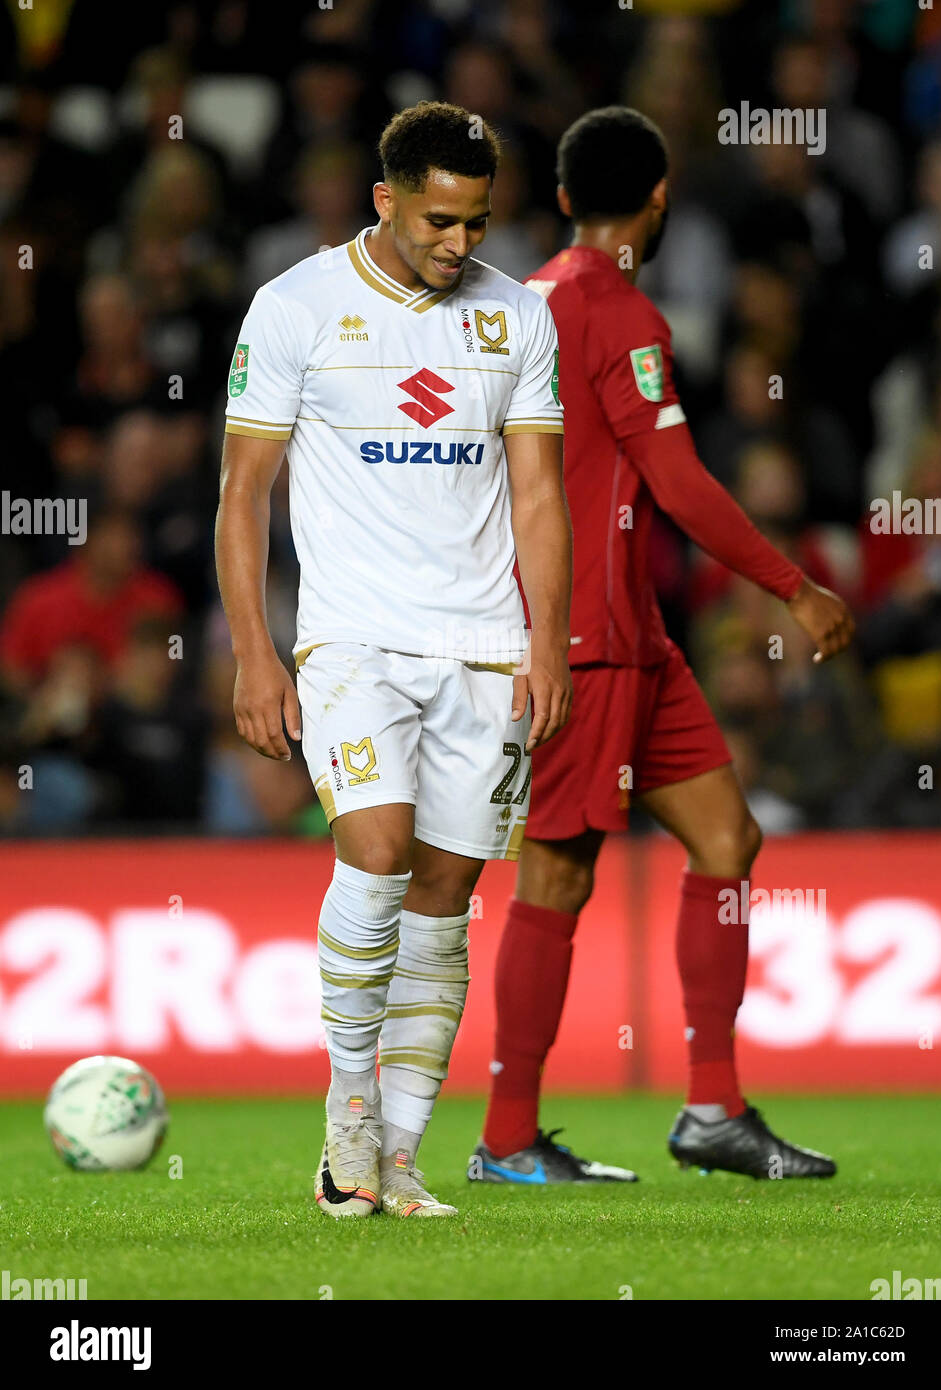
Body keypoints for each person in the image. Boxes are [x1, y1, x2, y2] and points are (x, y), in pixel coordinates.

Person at [471, 107, 854, 1186]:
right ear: (660, 196)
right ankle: (505, 1136)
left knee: (727, 840)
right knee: (554, 872)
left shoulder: (522, 304)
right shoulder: (620, 315)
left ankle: (713, 1107)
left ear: (557, 198)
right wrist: (794, 586)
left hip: (629, 634)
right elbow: (677, 483)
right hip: (585, 637)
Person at [215, 101, 573, 1218]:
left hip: (483, 643)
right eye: (436, 220)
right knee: (371, 853)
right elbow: (243, 493)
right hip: (352, 635)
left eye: (475, 222)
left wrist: (548, 642)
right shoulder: (297, 305)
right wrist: (253, 654)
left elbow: (537, 494)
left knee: (447, 893)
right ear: (385, 199)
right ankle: (347, 1120)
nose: (458, 244)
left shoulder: (520, 318)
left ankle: (403, 1155)